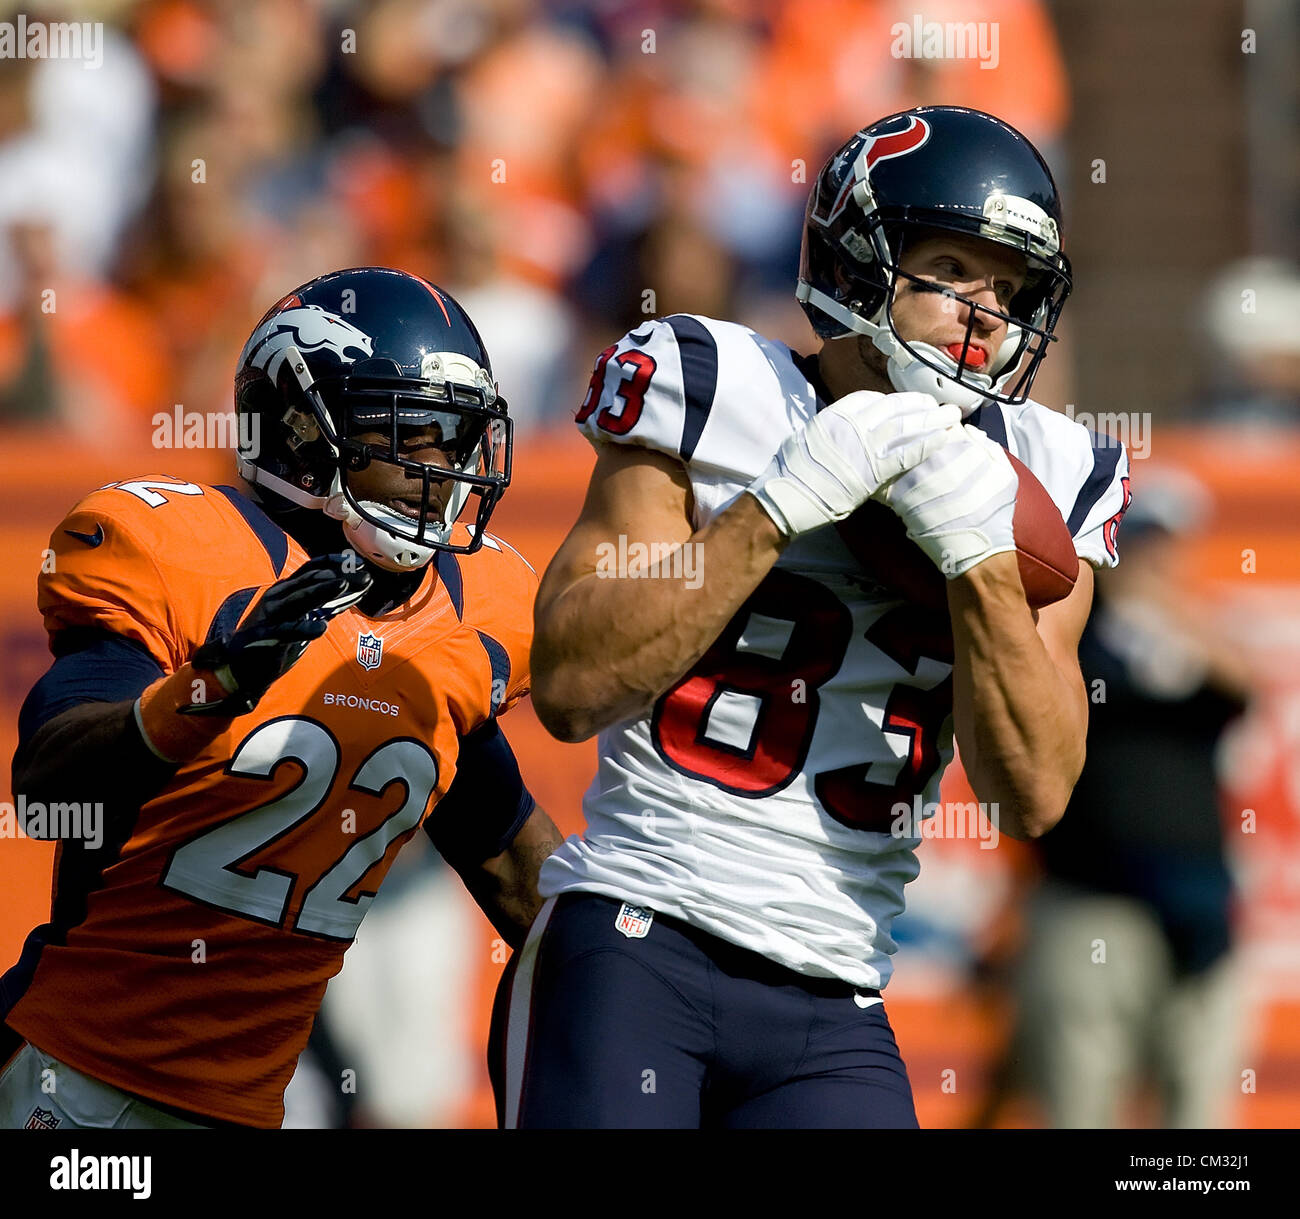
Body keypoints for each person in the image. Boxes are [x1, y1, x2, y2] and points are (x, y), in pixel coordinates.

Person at [501, 106, 1131, 1128]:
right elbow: (571, 688)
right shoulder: (713, 388)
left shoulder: (1050, 473)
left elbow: (1033, 795)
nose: (985, 316)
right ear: (857, 258)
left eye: (1011, 293)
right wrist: (776, 509)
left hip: (836, 993)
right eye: (952, 269)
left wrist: (980, 566)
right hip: (638, 930)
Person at [0, 267, 561, 1130]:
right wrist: (214, 685)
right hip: (76, 1080)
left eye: (453, 441)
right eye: (407, 435)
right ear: (301, 431)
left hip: (249, 1105)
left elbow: (519, 872)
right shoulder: (183, 555)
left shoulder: (461, 617)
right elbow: (50, 791)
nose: (439, 471)